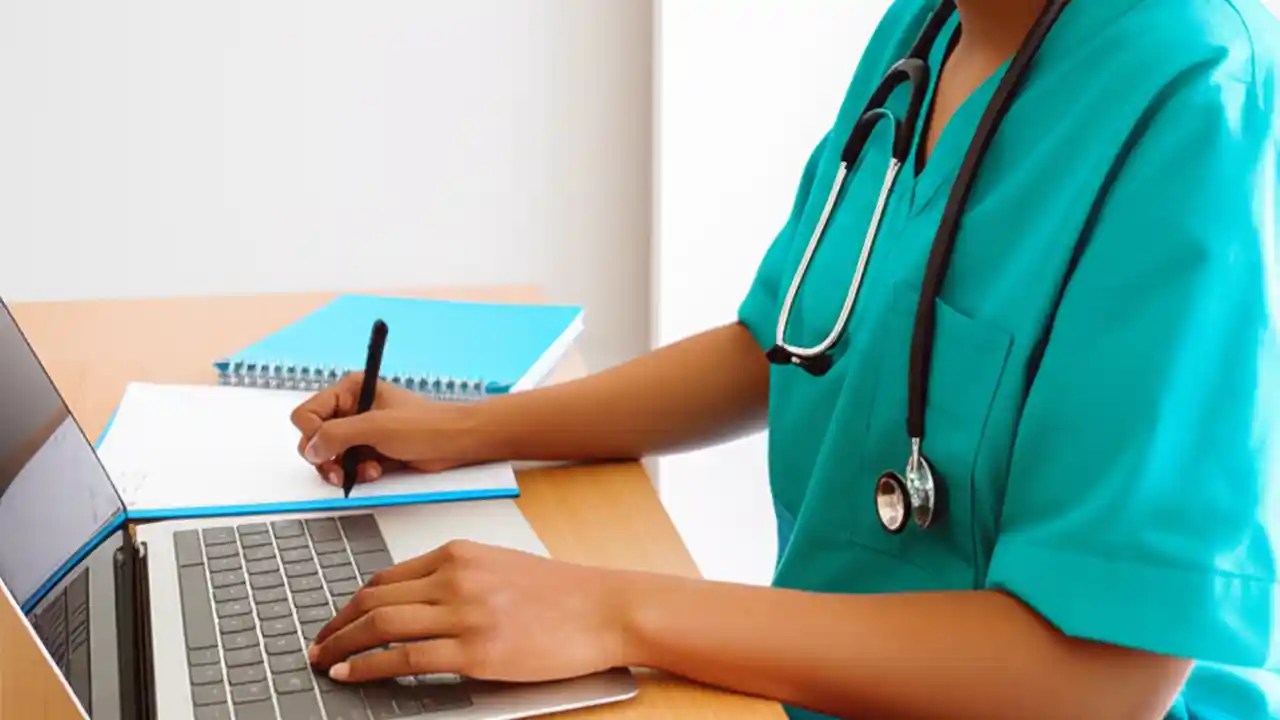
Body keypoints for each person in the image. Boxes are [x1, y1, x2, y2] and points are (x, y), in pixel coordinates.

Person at [291, 0, 1280, 717]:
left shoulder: (1186, 84)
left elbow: (1102, 678)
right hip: (806, 690)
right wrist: (470, 428)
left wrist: (614, 609)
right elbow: (786, 341)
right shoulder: (925, 31)